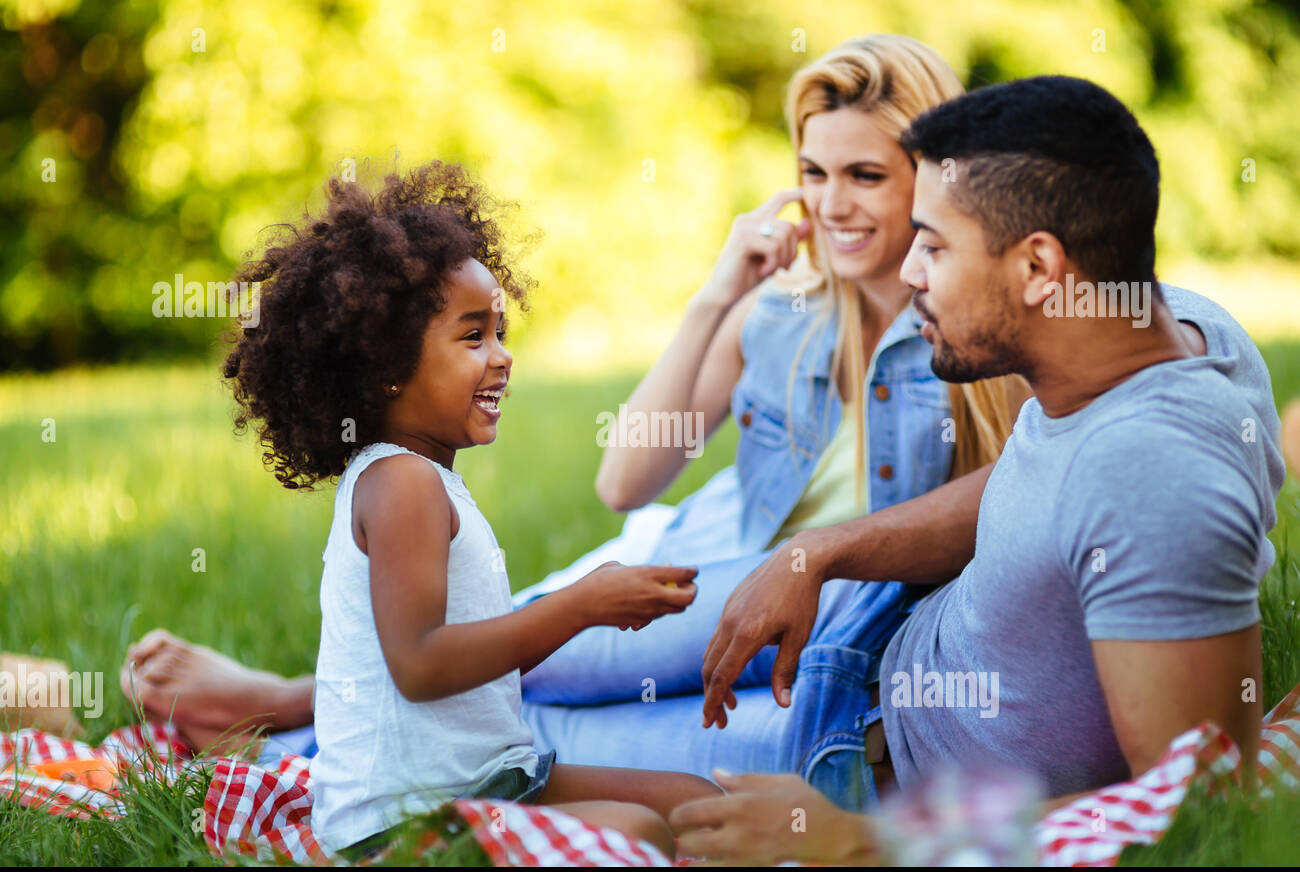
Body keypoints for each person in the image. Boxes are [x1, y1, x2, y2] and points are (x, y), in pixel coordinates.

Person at [122, 34, 1029, 814]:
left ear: (936, 178)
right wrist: (719, 294)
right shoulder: (778, 316)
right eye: (813, 173)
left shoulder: (974, 333)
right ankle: (295, 708)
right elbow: (624, 481)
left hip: (842, 604)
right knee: (539, 665)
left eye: (866, 175)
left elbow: (1019, 481)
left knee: (533, 717)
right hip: (712, 565)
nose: (832, 205)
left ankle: (297, 732)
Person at [667, 74, 1285, 864]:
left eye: (934, 245)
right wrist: (823, 551)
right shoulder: (1180, 328)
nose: (912, 276)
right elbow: (1033, 486)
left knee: (532, 747)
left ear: (1037, 268)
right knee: (541, 670)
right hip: (871, 634)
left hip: (861, 766)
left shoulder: (1153, 475)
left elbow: (1198, 800)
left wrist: (866, 841)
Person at [216, 160, 721, 861]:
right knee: (642, 832)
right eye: (473, 336)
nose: (503, 357)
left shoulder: (425, 477)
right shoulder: (402, 484)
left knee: (703, 808)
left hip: (489, 781)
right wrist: (583, 603)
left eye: (502, 332)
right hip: (400, 821)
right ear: (387, 366)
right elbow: (420, 665)